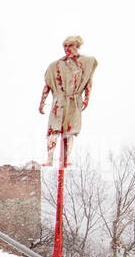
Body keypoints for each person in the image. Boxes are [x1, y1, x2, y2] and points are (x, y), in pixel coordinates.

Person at [39, 36, 97, 167]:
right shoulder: (56, 65)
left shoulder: (85, 64)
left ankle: (66, 159)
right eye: (65, 46)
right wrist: (42, 102)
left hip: (73, 101)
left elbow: (88, 83)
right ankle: (50, 159)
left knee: (69, 131)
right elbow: (47, 84)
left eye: (69, 45)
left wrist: (87, 98)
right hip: (59, 100)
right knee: (53, 129)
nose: (66, 49)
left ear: (76, 46)